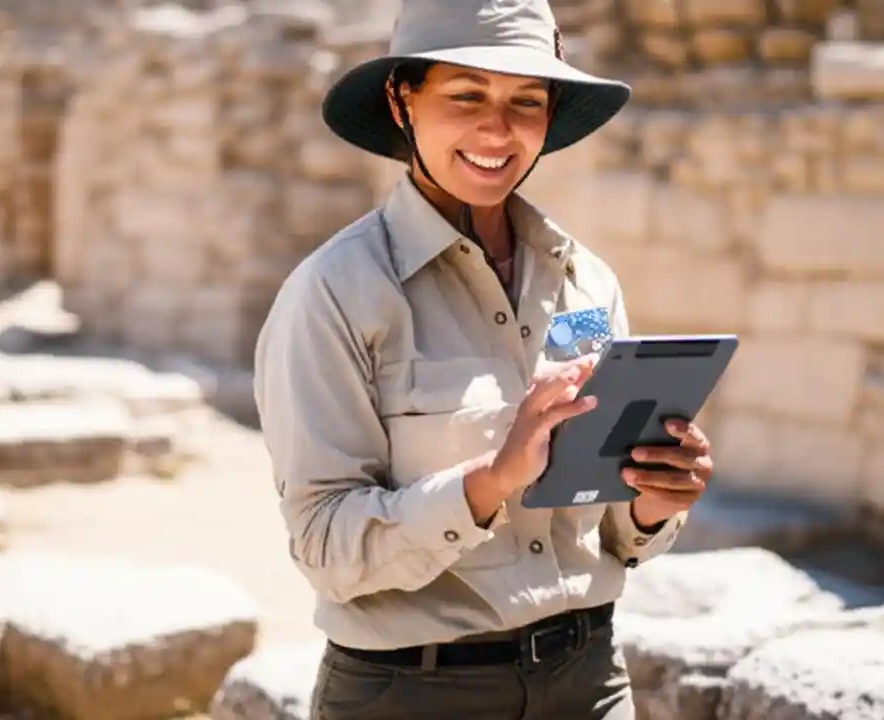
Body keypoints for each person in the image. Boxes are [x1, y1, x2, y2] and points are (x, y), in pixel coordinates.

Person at [253, 1, 714, 717]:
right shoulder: (332, 294)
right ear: (401, 99)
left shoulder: (586, 282)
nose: (498, 130)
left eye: (526, 102)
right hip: (412, 694)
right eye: (466, 95)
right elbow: (324, 546)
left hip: (591, 681)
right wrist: (492, 480)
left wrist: (655, 502)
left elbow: (615, 537)